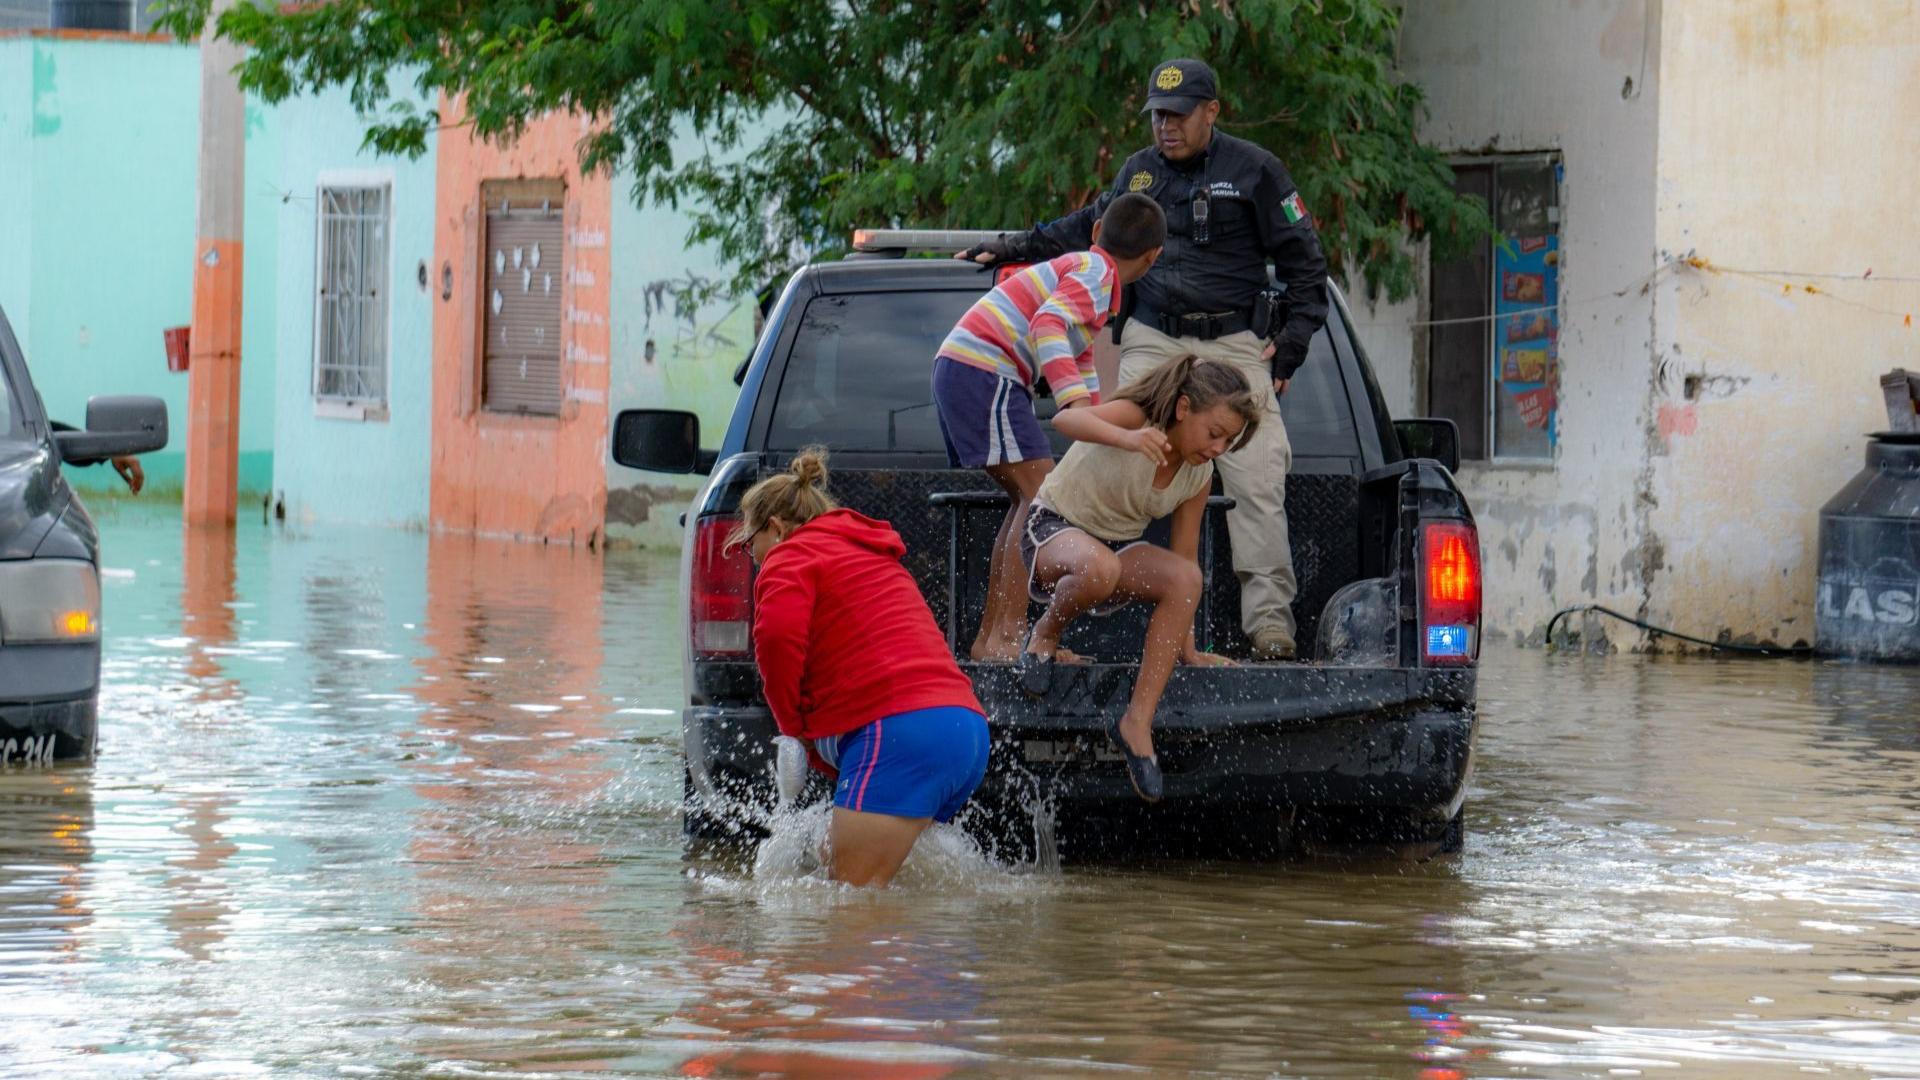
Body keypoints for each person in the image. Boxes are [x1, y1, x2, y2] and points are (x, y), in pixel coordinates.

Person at [960, 58, 1329, 661]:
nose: (1166, 127)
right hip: (1154, 341)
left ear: (1212, 111)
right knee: (1107, 456)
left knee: (1257, 478)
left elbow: (1306, 265)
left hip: (1233, 345)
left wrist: (1290, 348)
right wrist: (1014, 247)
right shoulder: (1138, 173)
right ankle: (1087, 604)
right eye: (1158, 115)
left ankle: (1270, 633)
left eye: (1179, 115)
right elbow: (1089, 228)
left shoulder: (1258, 170)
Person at [732, 448, 991, 887]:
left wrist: (791, 730)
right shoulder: (870, 554)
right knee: (866, 880)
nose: (750, 553)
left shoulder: (790, 555)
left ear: (775, 529)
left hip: (899, 733)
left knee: (848, 913)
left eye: (749, 540)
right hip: (965, 730)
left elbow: (775, 638)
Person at [932, 192, 1166, 663]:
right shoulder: (1097, 275)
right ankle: (1010, 638)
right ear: (1152, 257)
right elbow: (1048, 324)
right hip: (984, 370)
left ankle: (992, 640)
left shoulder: (1084, 276)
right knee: (1042, 501)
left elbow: (1079, 362)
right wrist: (1071, 402)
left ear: (1098, 230)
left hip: (967, 370)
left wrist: (1094, 422)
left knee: (1028, 501)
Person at [1020, 356, 1261, 802]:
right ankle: (1044, 636)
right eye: (1214, 434)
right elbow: (1066, 418)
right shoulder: (1139, 416)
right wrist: (1127, 438)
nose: (1219, 448)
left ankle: (1136, 723)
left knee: (1186, 578)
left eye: (1229, 440)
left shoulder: (1199, 474)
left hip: (1109, 556)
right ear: (1184, 408)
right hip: (1052, 531)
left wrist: (1189, 651)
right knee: (1100, 567)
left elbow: (1184, 556)